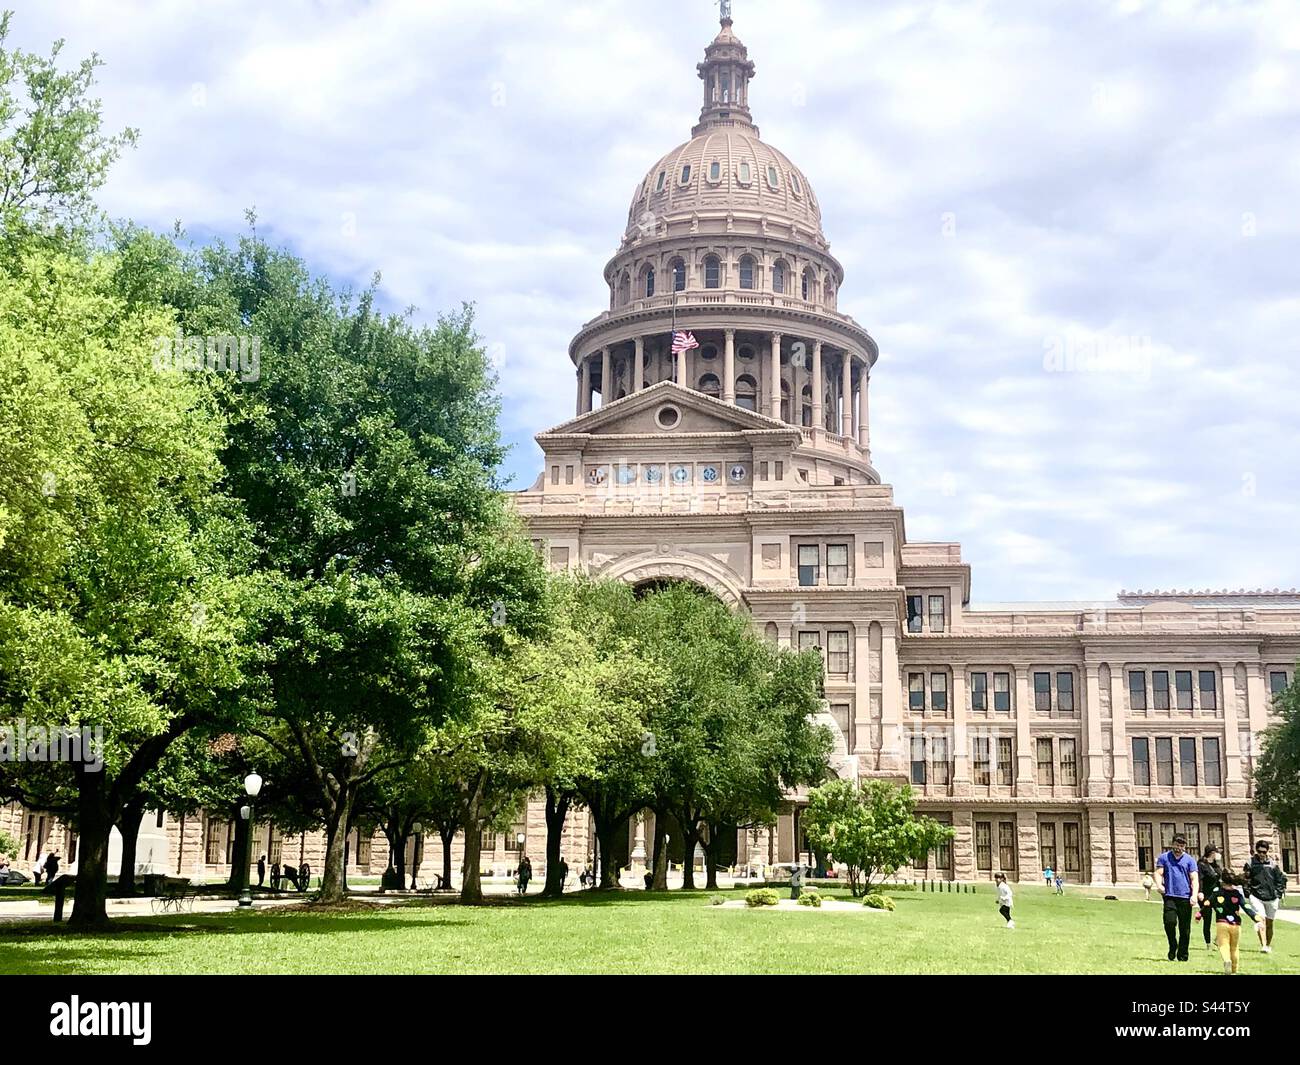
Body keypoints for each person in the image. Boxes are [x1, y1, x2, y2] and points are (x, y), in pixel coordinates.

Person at [1205, 868, 1264, 975]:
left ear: (1222, 879)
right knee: (1234, 947)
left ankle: (1226, 960)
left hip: (1221, 923)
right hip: (1236, 925)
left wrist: (1199, 914)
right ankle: (1234, 970)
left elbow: (1207, 903)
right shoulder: (1237, 893)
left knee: (1223, 945)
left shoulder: (1217, 892)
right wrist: (1255, 917)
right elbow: (1246, 907)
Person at [1156, 833, 1200, 962]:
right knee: (1169, 922)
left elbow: (1194, 879)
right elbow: (1159, 873)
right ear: (1172, 844)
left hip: (1185, 898)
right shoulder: (1164, 858)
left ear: (1185, 846)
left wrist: (1194, 895)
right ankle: (1172, 945)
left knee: (1185, 929)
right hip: (1170, 896)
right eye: (1176, 845)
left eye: (1181, 845)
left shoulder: (1190, 860)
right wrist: (1159, 885)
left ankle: (1183, 954)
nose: (1178, 848)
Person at [1242, 839, 1287, 954]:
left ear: (1267, 851)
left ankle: (1268, 944)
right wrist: (1248, 892)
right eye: (1259, 851)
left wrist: (1278, 893)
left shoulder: (1273, 864)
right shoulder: (1250, 863)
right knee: (1260, 919)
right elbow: (1246, 879)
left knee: (1270, 923)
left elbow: (1281, 879)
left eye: (1264, 852)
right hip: (1256, 896)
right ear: (1256, 851)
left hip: (1272, 897)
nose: (1262, 854)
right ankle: (1263, 945)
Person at [1196, 844, 1222, 951]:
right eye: (1216, 852)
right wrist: (1200, 892)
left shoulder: (1216, 865)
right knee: (1207, 919)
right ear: (1211, 853)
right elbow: (1200, 879)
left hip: (1216, 895)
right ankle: (1208, 943)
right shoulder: (1201, 865)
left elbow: (1220, 877)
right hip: (1206, 895)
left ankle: (1218, 939)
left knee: (1222, 915)